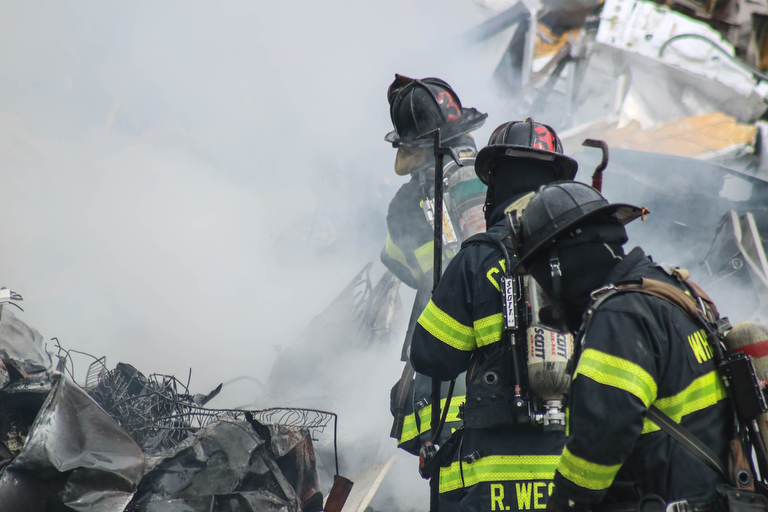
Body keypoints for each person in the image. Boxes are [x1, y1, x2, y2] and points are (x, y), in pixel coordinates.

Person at [511, 181, 732, 512]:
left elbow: (600, 439)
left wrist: (564, 504)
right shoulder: (672, 290)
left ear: (558, 265)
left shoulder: (618, 316)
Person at [409, 119, 578, 512]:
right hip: (573, 474)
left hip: (491, 483)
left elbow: (432, 357)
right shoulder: (586, 255)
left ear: (495, 182)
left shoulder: (478, 258)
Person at [384, 75, 488, 456]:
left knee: (447, 457)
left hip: (446, 348)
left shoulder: (409, 204)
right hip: (491, 346)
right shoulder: (494, 177)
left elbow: (401, 264)